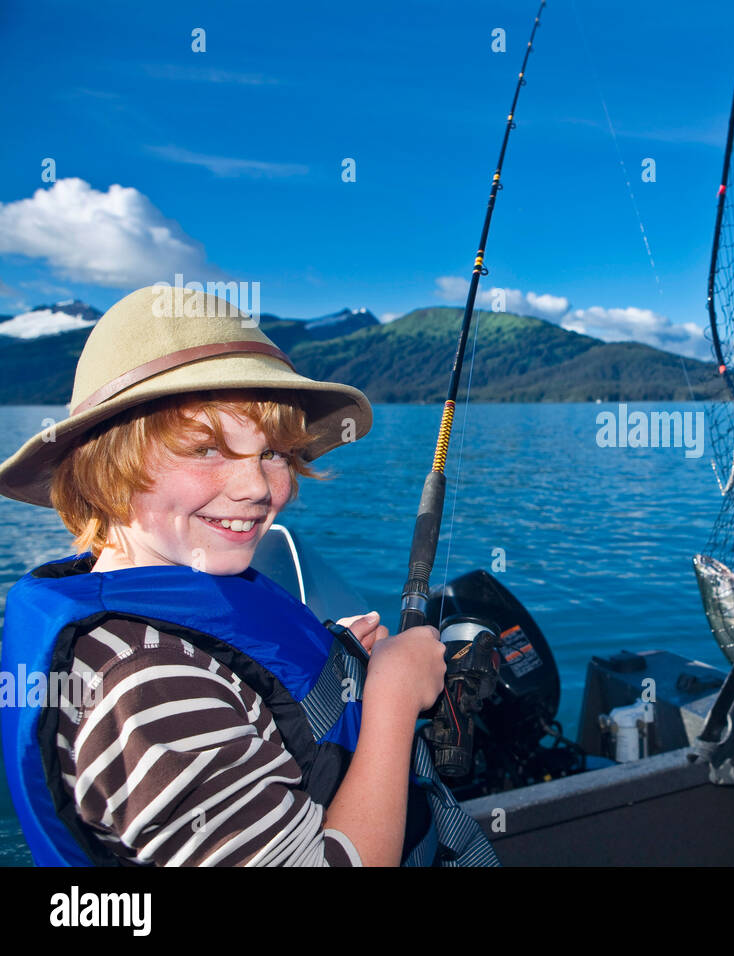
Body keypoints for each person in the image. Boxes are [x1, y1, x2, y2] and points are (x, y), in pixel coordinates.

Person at [0, 284, 497, 866]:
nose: (257, 487)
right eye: (206, 449)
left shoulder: (181, 582)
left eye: (274, 453)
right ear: (105, 464)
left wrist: (336, 664)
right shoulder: (138, 683)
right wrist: (392, 698)